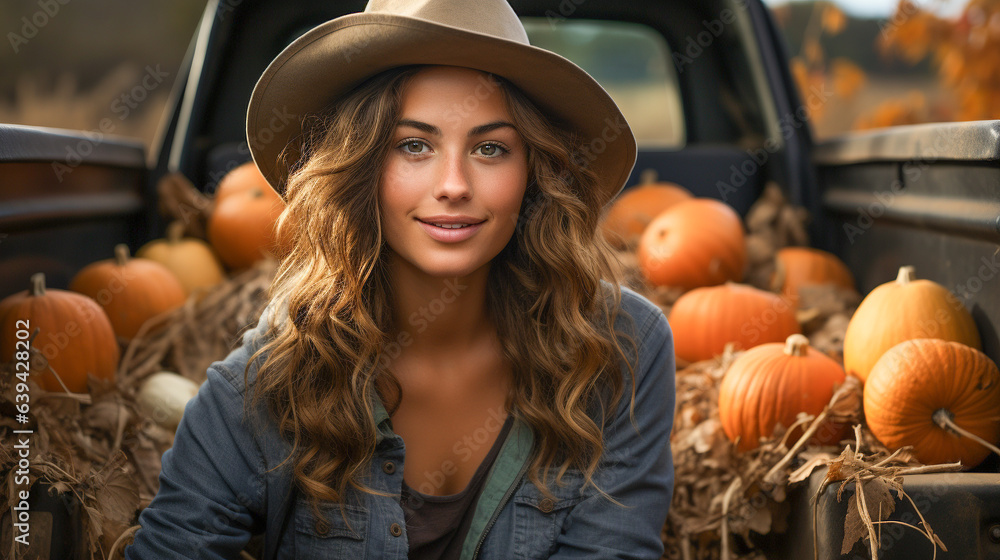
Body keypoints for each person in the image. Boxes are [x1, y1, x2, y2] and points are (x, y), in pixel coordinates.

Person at [125, 0, 676, 558]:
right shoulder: (277, 372)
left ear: (535, 172)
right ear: (360, 167)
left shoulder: (621, 348)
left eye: (491, 148)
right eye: (414, 145)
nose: (454, 184)